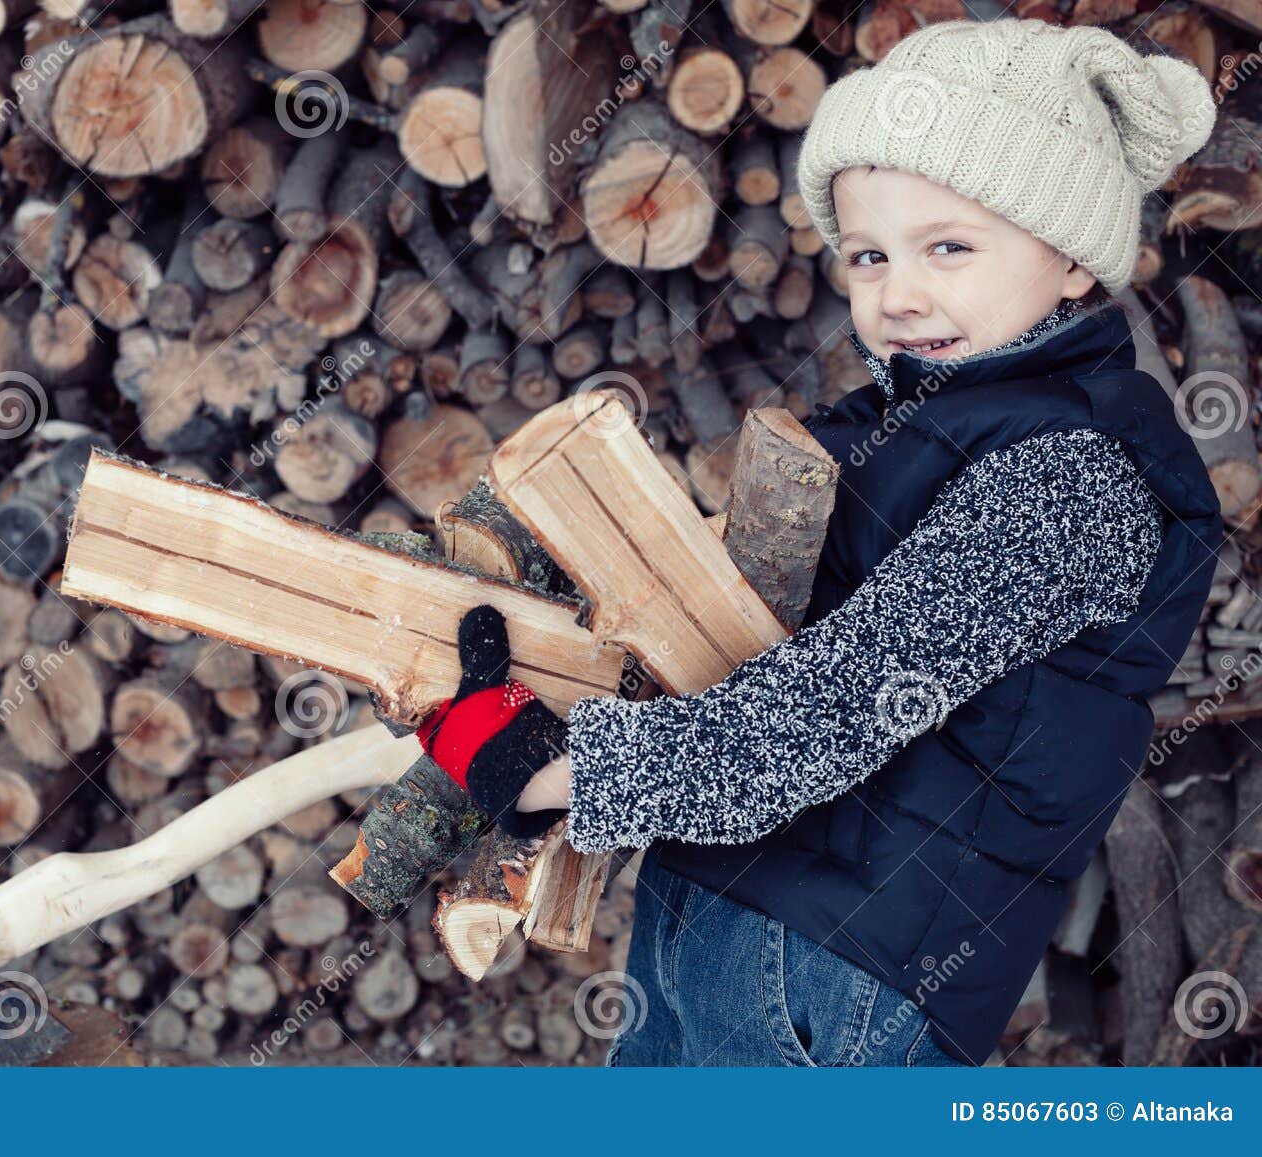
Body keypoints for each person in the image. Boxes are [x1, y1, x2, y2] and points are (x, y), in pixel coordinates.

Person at [413, 18, 1226, 1067]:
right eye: (867, 254)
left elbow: (831, 712)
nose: (898, 292)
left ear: (1070, 255)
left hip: (841, 973)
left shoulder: (1067, 479)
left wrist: (558, 773)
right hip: (726, 905)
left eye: (949, 246)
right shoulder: (894, 426)